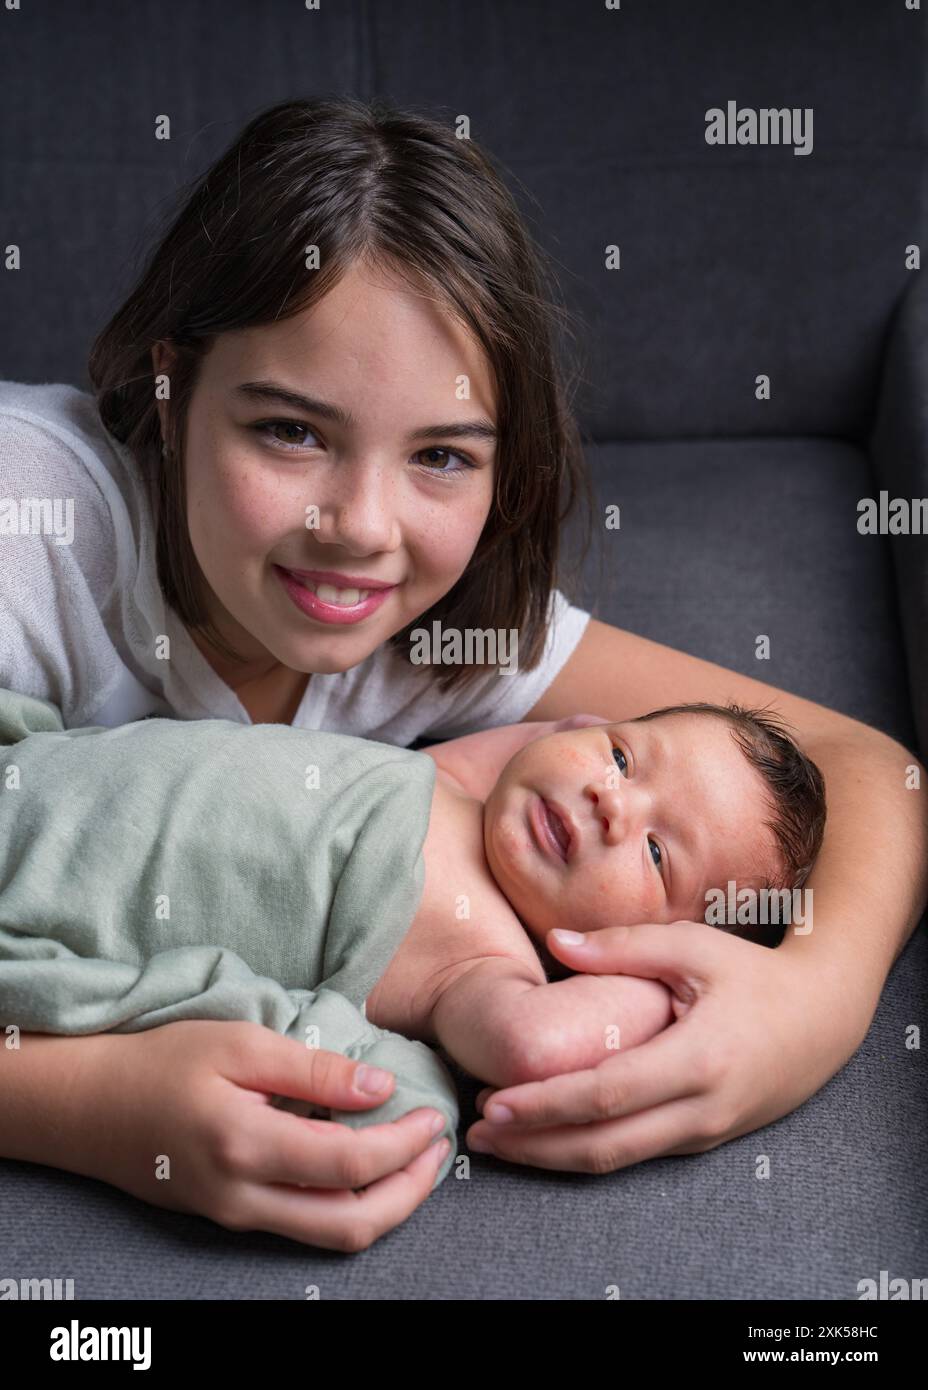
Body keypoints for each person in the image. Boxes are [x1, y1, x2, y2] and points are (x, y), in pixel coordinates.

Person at [0, 96, 924, 1253]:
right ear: (174, 384)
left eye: (440, 456)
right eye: (290, 431)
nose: (363, 531)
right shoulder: (31, 524)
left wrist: (807, 1006)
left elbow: (867, 769)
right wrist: (79, 1105)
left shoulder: (438, 635)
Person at [0, 691, 825, 1210]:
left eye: (655, 854)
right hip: (45, 771)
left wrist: (654, 988)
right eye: (621, 756)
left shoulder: (482, 964)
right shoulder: (456, 781)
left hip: (52, 905)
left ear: (648, 945)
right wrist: (562, 737)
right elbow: (549, 735)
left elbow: (533, 1046)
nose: (612, 802)